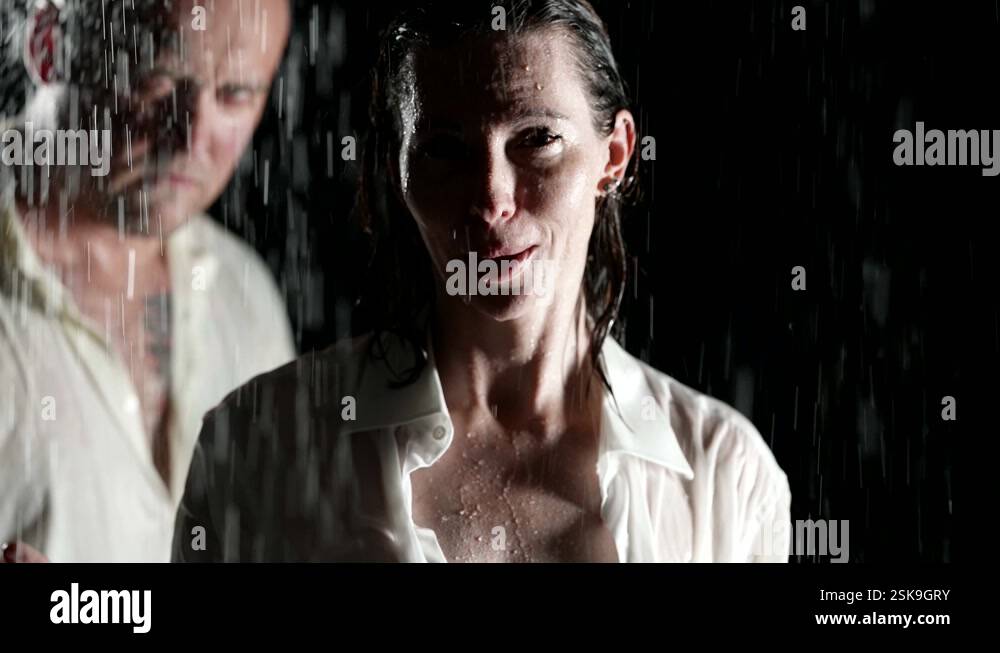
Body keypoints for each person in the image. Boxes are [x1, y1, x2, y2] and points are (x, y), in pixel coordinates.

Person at [173, 0, 791, 563]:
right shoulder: (258, 449)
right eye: (445, 148)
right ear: (398, 170)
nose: (491, 198)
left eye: (537, 139)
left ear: (615, 155)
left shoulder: (725, 479)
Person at [0, 0, 295, 563]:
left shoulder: (247, 298)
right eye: (159, 80)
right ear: (49, 45)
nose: (192, 137)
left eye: (236, 94)